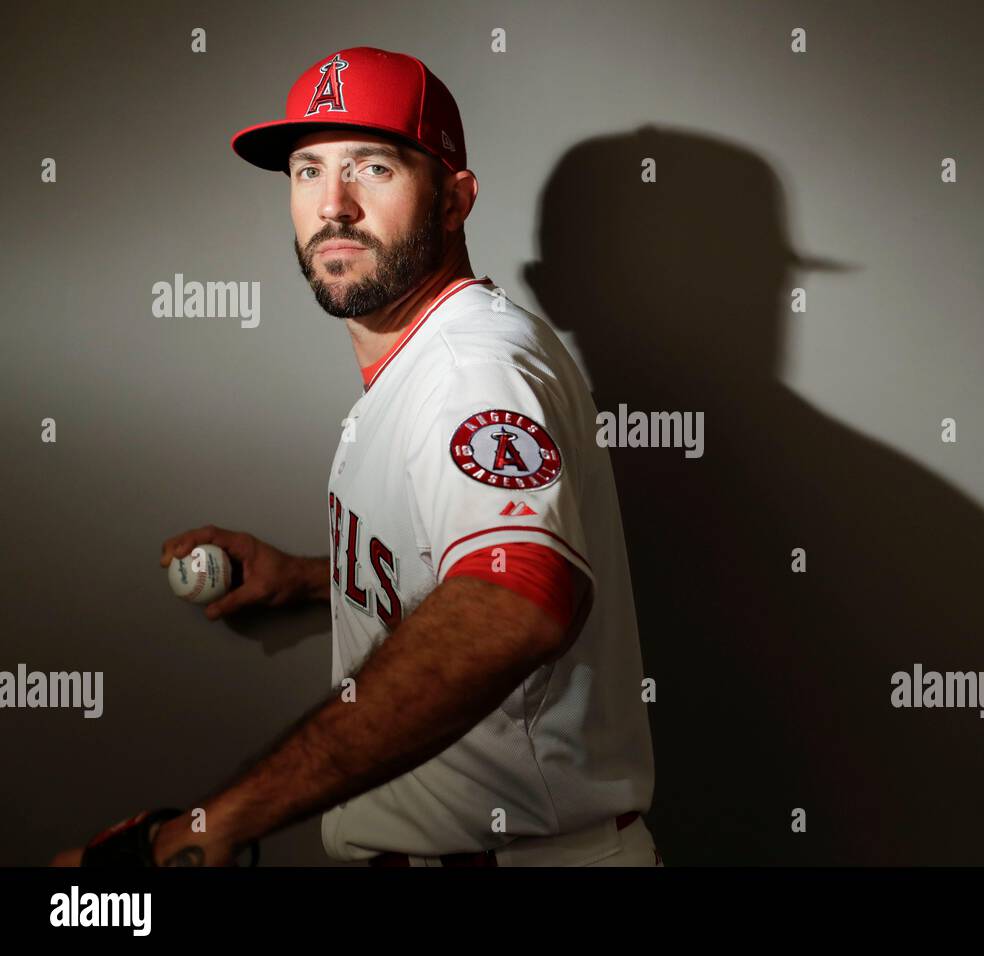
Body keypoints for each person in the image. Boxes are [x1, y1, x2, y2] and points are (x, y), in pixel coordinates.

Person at [53, 46, 659, 868]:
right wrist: (306, 575)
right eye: (307, 172)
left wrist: (222, 821)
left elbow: (519, 597)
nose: (333, 206)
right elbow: (457, 561)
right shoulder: (422, 364)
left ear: (455, 199)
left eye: (372, 166)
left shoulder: (469, 368)